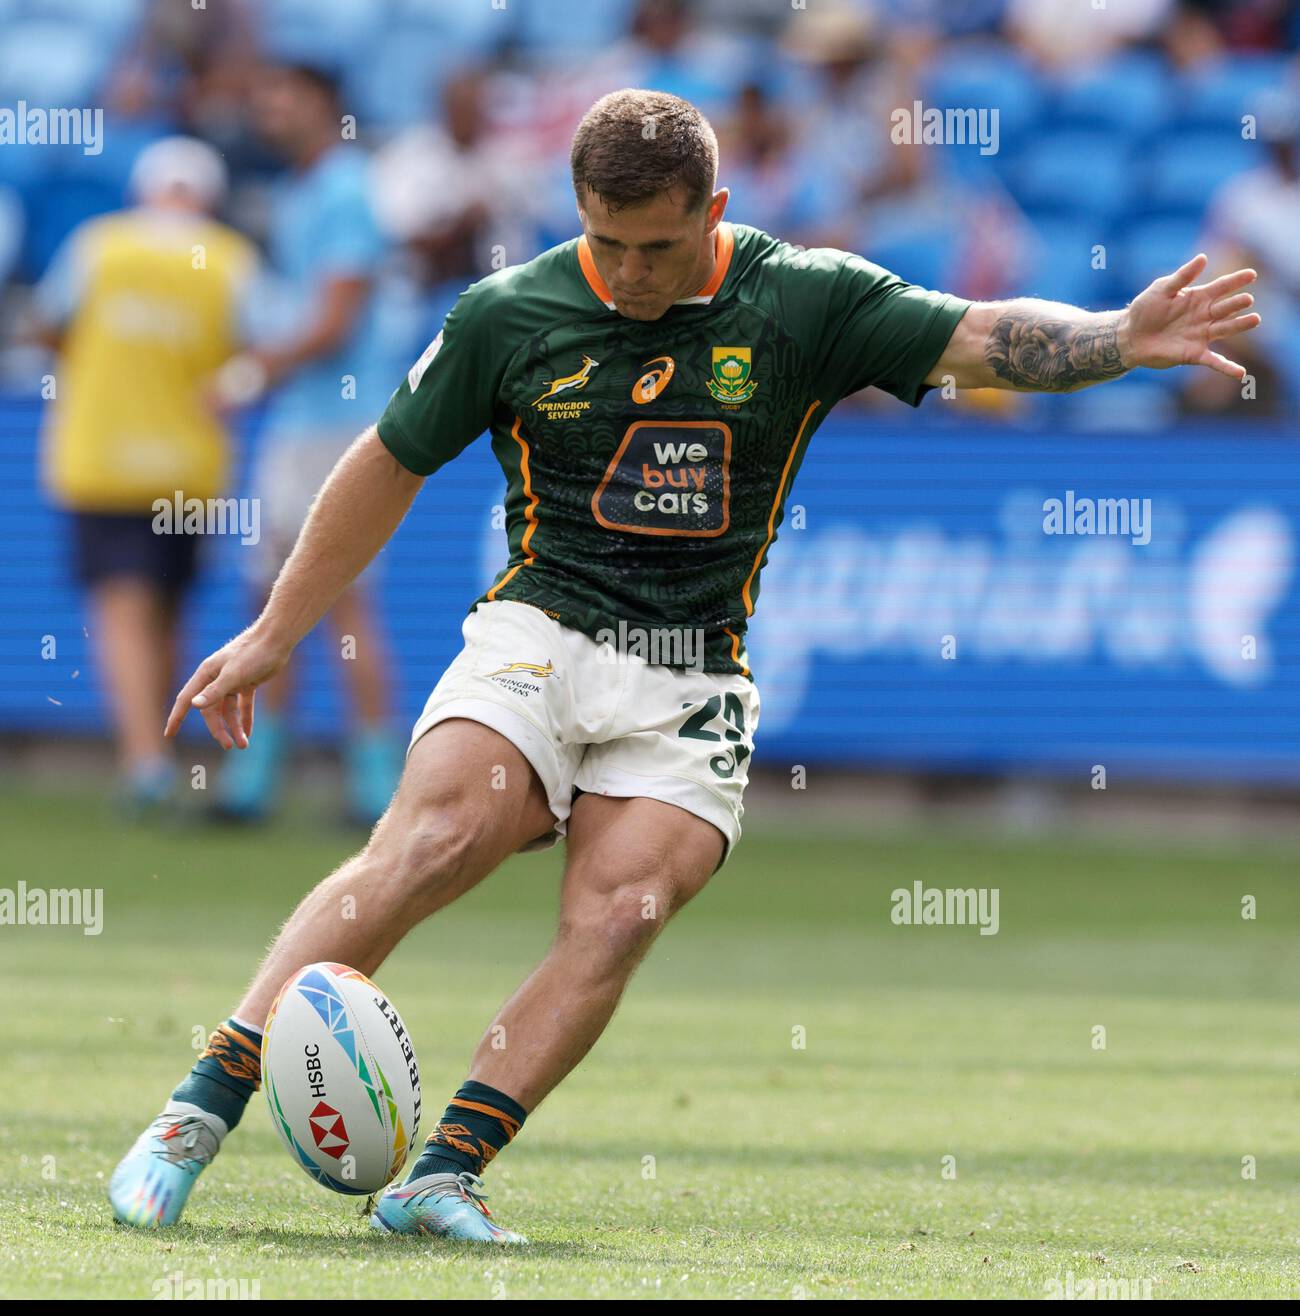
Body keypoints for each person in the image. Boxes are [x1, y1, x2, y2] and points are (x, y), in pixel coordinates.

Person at [109, 89, 1260, 1241]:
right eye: (606, 242)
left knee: (621, 912)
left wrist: (1119, 338)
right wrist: (274, 632)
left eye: (657, 245)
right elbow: (387, 461)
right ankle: (194, 1113)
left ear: (712, 209)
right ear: (577, 211)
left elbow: (979, 335)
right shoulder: (509, 314)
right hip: (538, 633)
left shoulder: (804, 299)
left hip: (694, 675)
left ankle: (439, 1174)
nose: (631, 271)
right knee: (436, 836)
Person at [31, 137, 256, 811]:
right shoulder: (229, 259)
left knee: (120, 613)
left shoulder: (99, 246)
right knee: (168, 609)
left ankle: (144, 761)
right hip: (189, 463)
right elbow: (261, 345)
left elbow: (47, 323)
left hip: (102, 458)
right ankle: (162, 742)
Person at [210, 62, 402, 825]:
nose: (269, 105)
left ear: (325, 104)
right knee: (272, 599)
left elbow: (335, 320)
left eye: (282, 93)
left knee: (341, 599)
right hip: (306, 422)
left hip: (336, 426)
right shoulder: (306, 190)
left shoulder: (344, 189)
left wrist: (248, 373)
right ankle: (257, 777)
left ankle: (375, 785)